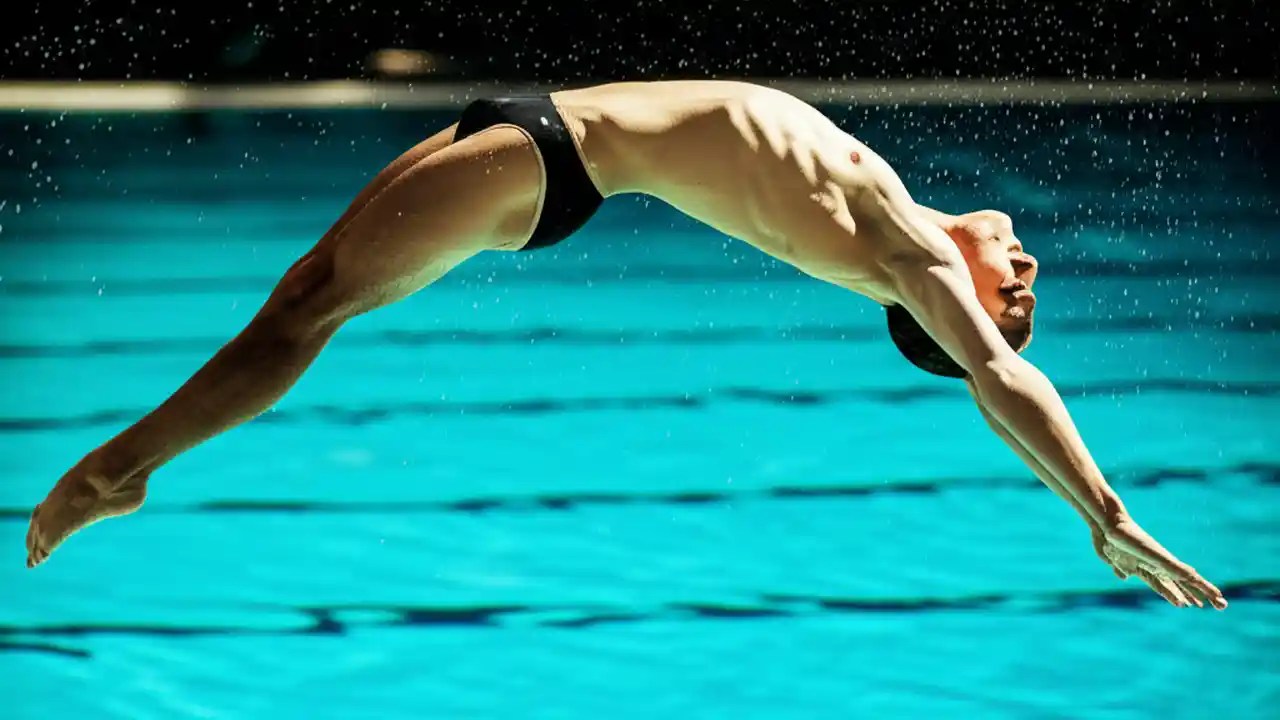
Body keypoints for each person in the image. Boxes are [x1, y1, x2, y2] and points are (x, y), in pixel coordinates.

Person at [25, 80, 1226, 610]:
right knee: (304, 290)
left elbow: (999, 377)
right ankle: (124, 466)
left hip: (554, 164)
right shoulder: (898, 212)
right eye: (1023, 292)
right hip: (537, 123)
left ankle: (118, 470)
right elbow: (995, 326)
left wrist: (1102, 512)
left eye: (1010, 299)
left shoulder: (905, 253)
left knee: (309, 309)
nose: (1026, 276)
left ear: (943, 307)